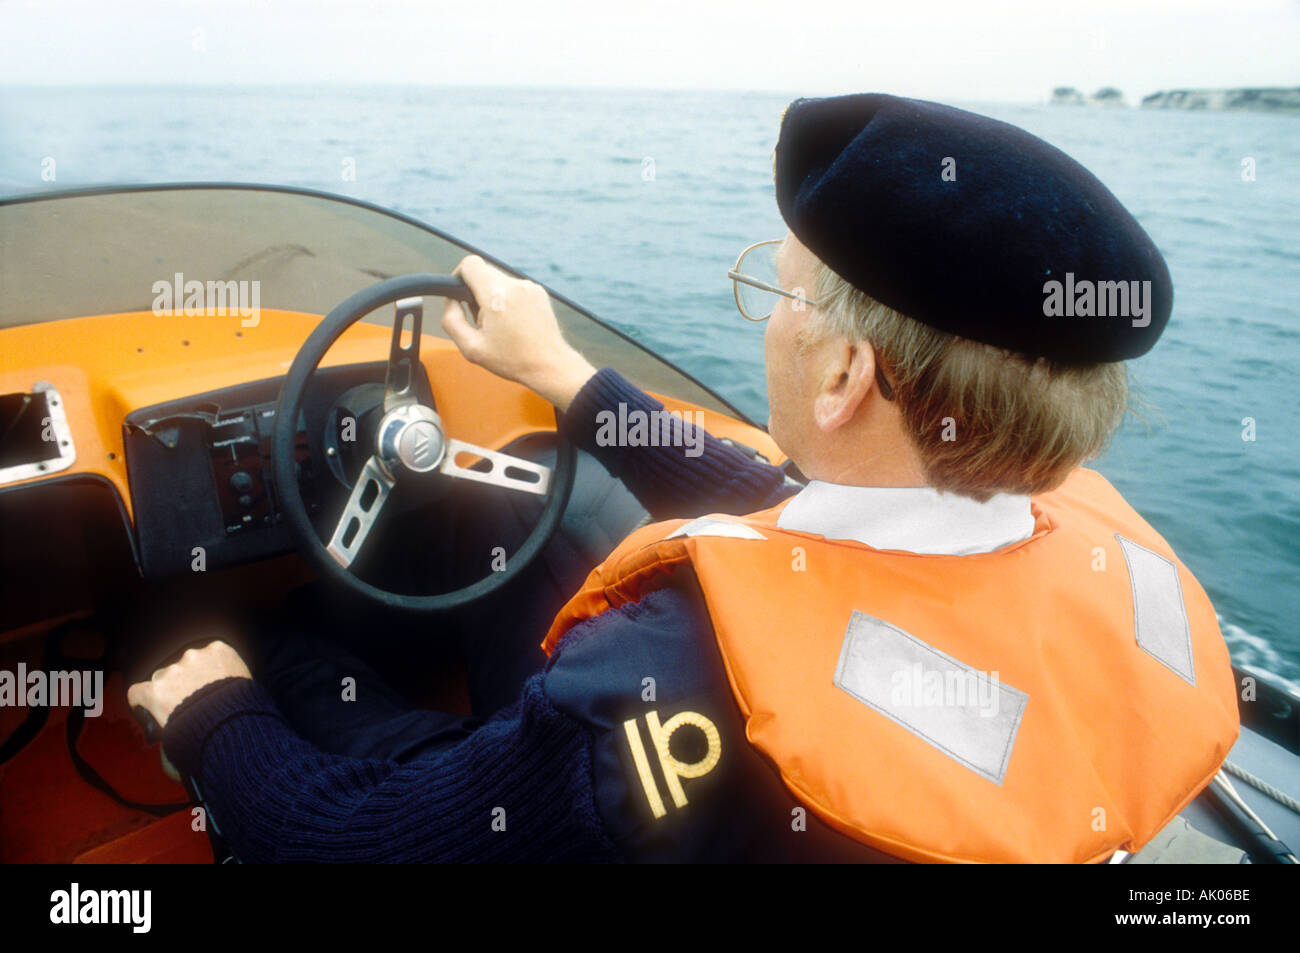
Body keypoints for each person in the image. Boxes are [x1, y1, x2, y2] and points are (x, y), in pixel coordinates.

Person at [128, 93, 1240, 863]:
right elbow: (785, 510)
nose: (767, 317)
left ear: (847, 371)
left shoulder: (668, 679)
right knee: (517, 496)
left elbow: (357, 845)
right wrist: (564, 377)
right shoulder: (1066, 531)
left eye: (781, 288)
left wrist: (215, 711)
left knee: (285, 652)